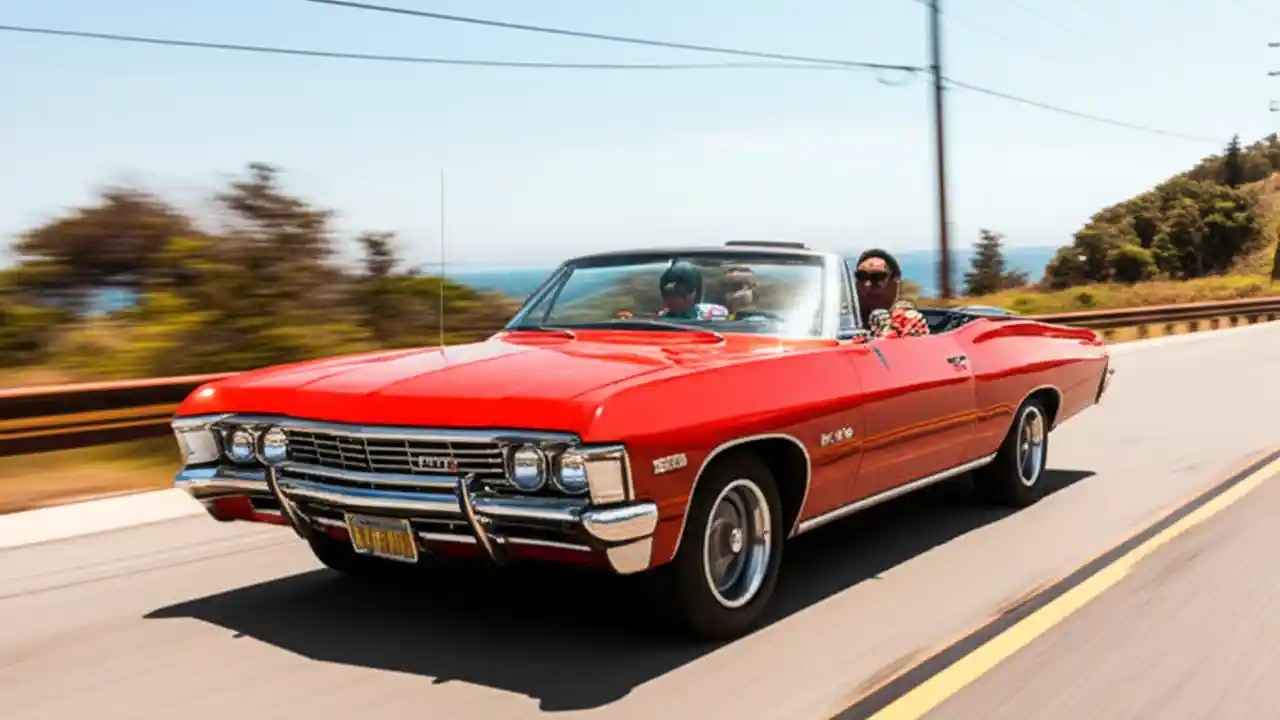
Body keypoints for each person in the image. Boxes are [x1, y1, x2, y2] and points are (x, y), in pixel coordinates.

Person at [854, 248, 930, 338]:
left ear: (895, 282)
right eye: (861, 276)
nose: (867, 284)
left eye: (877, 277)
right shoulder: (846, 321)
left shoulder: (906, 321)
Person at [657, 260, 729, 321]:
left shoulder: (715, 314)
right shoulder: (659, 322)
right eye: (667, 294)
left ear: (695, 292)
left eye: (680, 292)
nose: (674, 299)